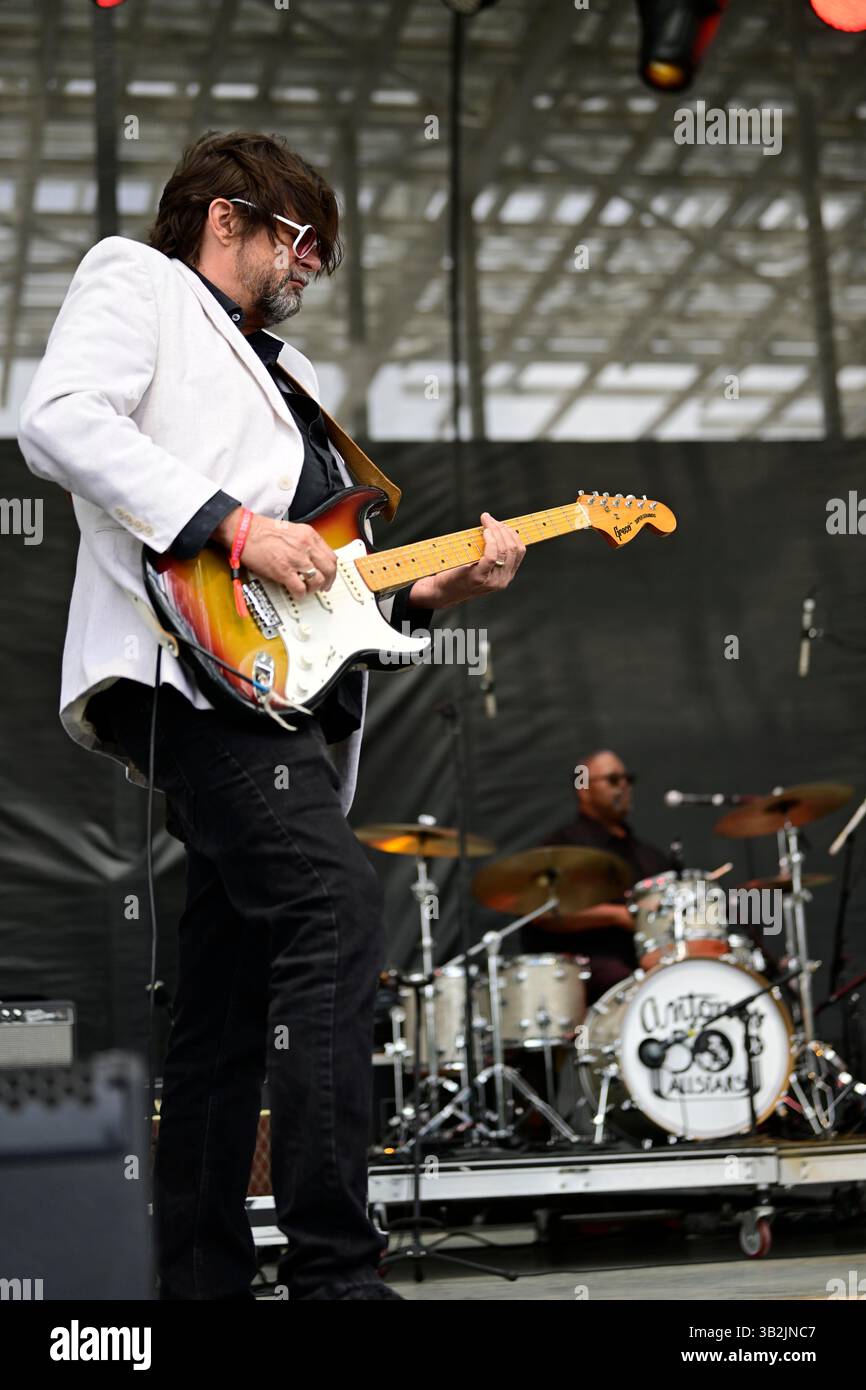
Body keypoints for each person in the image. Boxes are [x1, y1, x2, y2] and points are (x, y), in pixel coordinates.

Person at [18, 130, 526, 1301]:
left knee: (227, 999)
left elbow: (322, 578)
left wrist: (427, 583)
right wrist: (236, 527)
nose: (310, 263)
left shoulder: (277, 378)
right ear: (225, 216)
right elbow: (61, 416)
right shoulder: (136, 280)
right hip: (188, 678)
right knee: (336, 910)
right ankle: (336, 1273)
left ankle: (192, 1274)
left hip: (268, 689)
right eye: (300, 237)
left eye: (319, 250)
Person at [523, 749, 673, 1001]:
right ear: (583, 788)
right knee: (616, 976)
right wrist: (616, 916)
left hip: (649, 970)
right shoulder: (560, 849)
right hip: (587, 977)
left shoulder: (649, 856)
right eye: (613, 780)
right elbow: (542, 912)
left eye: (628, 779)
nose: (623, 786)